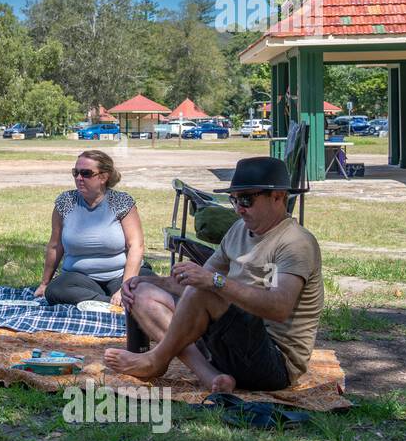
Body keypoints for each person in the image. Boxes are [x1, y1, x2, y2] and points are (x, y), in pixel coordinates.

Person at [105, 156, 323, 393]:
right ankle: (210, 377)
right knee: (142, 293)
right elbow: (195, 286)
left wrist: (215, 282)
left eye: (247, 199)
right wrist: (145, 281)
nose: (239, 208)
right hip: (229, 347)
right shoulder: (239, 229)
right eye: (235, 199)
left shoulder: (296, 243)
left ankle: (156, 360)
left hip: (274, 364)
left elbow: (279, 308)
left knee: (205, 289)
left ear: (278, 197)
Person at [35, 150, 145, 306]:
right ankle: (111, 304)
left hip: (121, 275)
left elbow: (136, 246)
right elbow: (55, 245)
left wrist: (124, 288)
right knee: (55, 290)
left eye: (86, 173)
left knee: (146, 289)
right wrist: (45, 284)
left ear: (103, 177)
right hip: (79, 279)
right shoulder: (65, 201)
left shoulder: (122, 202)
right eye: (76, 172)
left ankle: (108, 300)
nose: (79, 178)